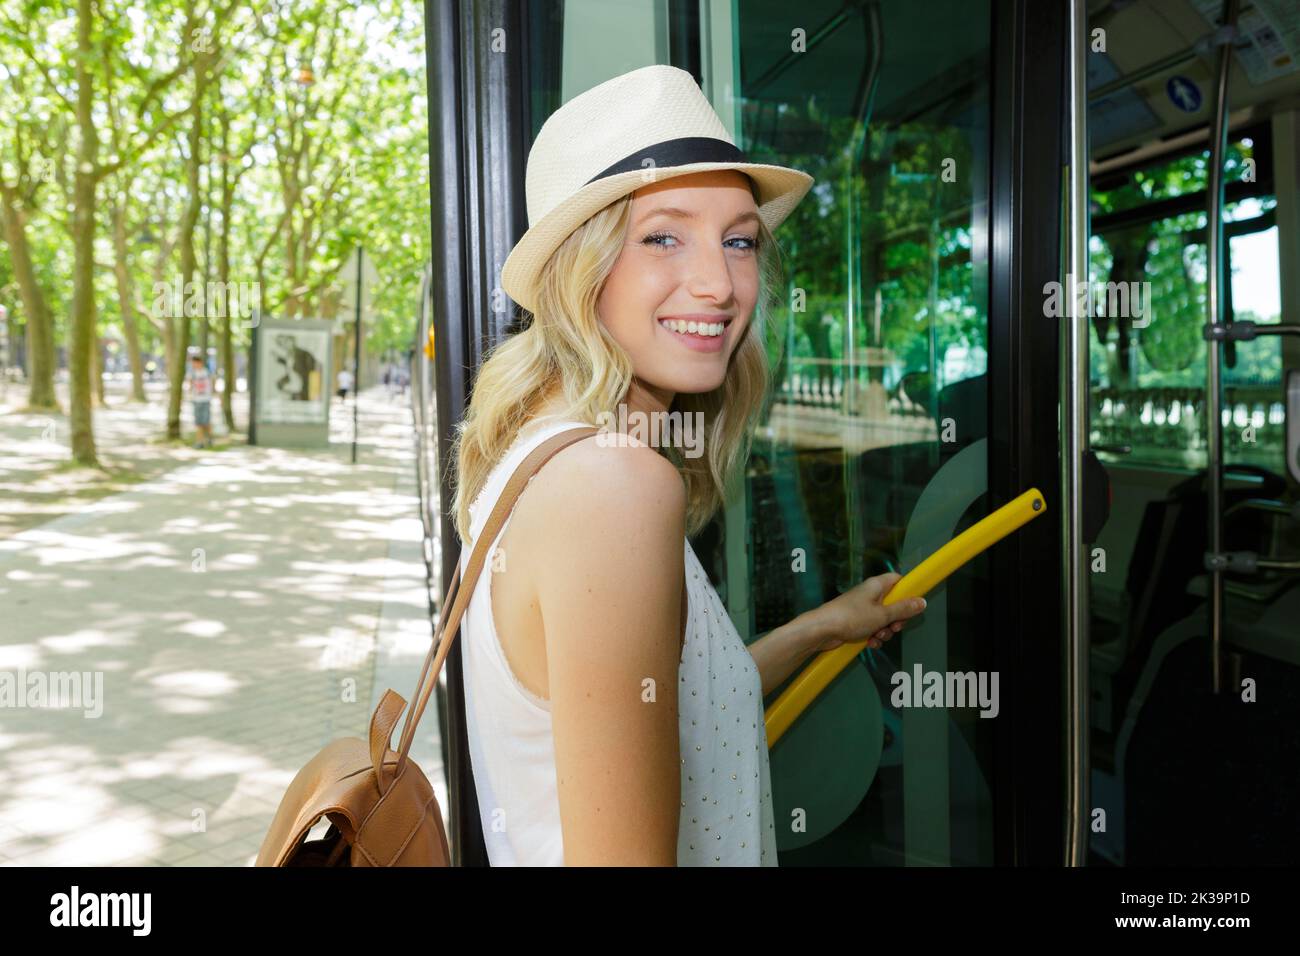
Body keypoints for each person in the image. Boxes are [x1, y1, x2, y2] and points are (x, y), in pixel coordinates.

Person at [448, 65, 927, 867]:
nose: (719, 283)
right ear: (581, 268)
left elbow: (663, 704)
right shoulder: (615, 486)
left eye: (738, 239)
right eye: (663, 235)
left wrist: (821, 628)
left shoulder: (546, 455)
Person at [187, 353, 213, 449]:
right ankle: (199, 442)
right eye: (193, 364)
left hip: (206, 399)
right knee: (198, 422)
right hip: (196, 400)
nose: (194, 365)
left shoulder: (207, 372)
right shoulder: (192, 374)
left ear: (200, 363)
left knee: (206, 422)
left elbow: (212, 385)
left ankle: (209, 438)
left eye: (196, 363)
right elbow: (190, 386)